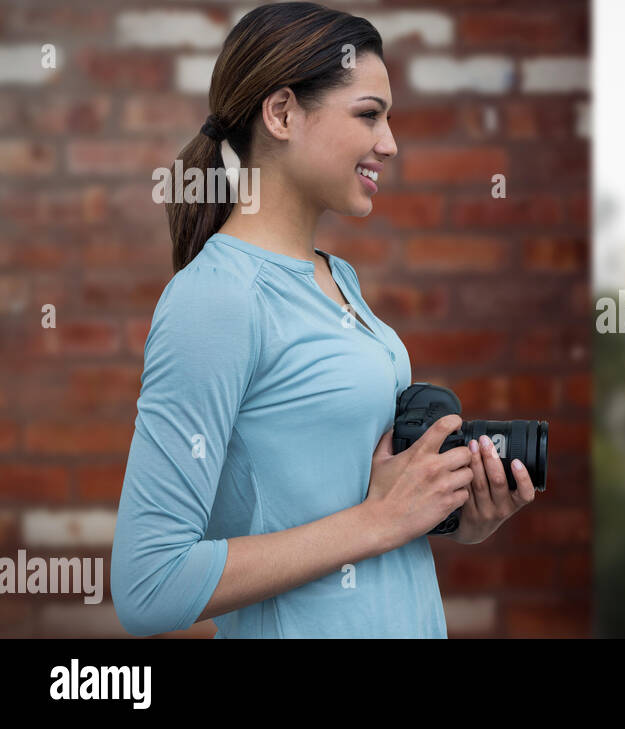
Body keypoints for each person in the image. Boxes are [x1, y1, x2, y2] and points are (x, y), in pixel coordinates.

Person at [110, 2, 536, 638]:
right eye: (369, 115)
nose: (389, 143)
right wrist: (377, 520)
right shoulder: (215, 300)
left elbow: (347, 496)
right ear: (282, 113)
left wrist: (454, 514)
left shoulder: (338, 280)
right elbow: (149, 585)